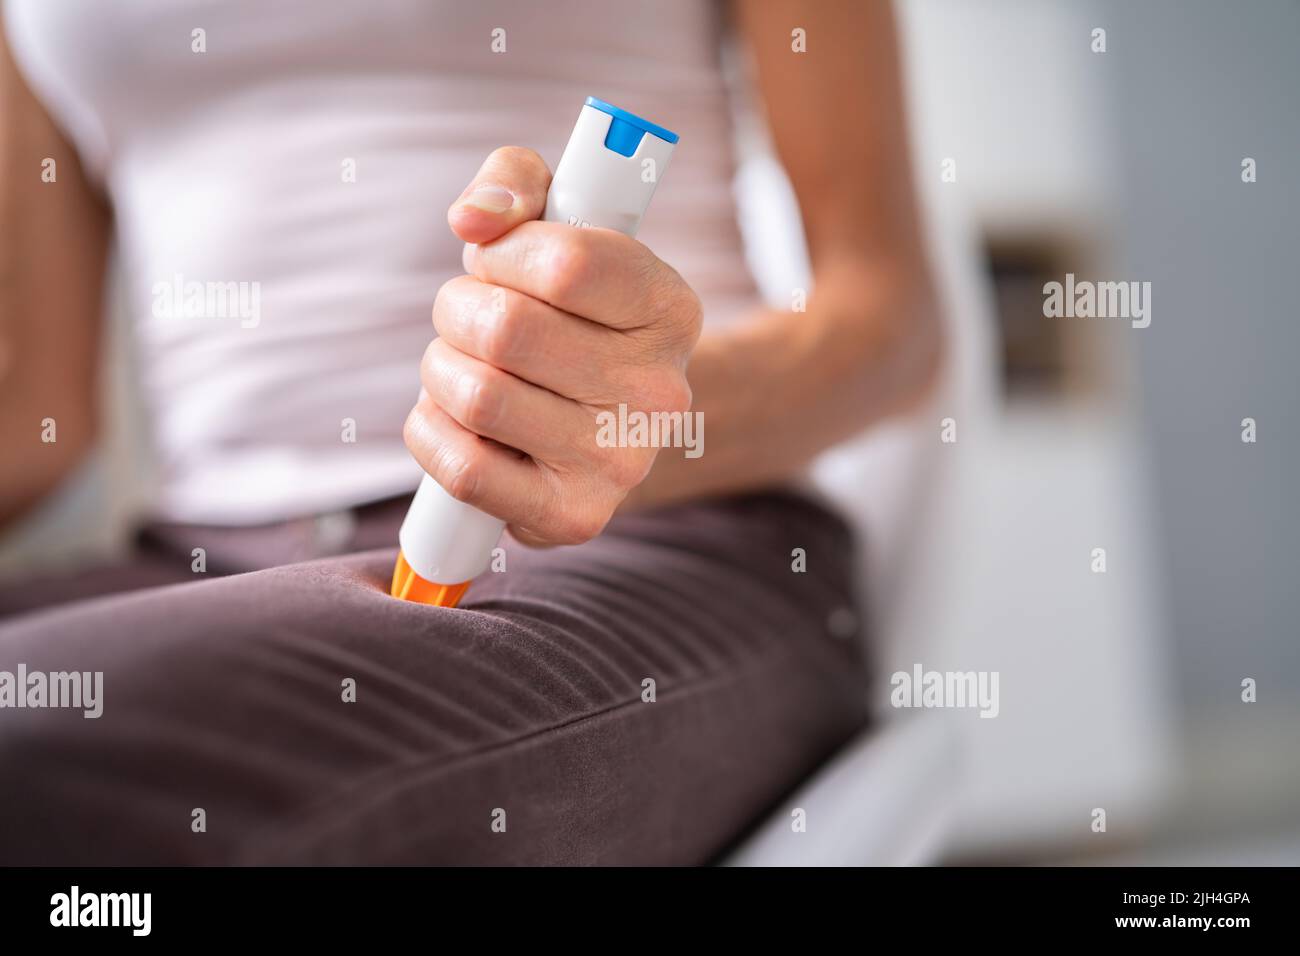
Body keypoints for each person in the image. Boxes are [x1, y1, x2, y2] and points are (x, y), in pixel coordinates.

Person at [0, 0, 940, 864]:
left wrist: (617, 423)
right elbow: (42, 418)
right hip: (194, 557)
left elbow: (894, 329)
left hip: (644, 532)